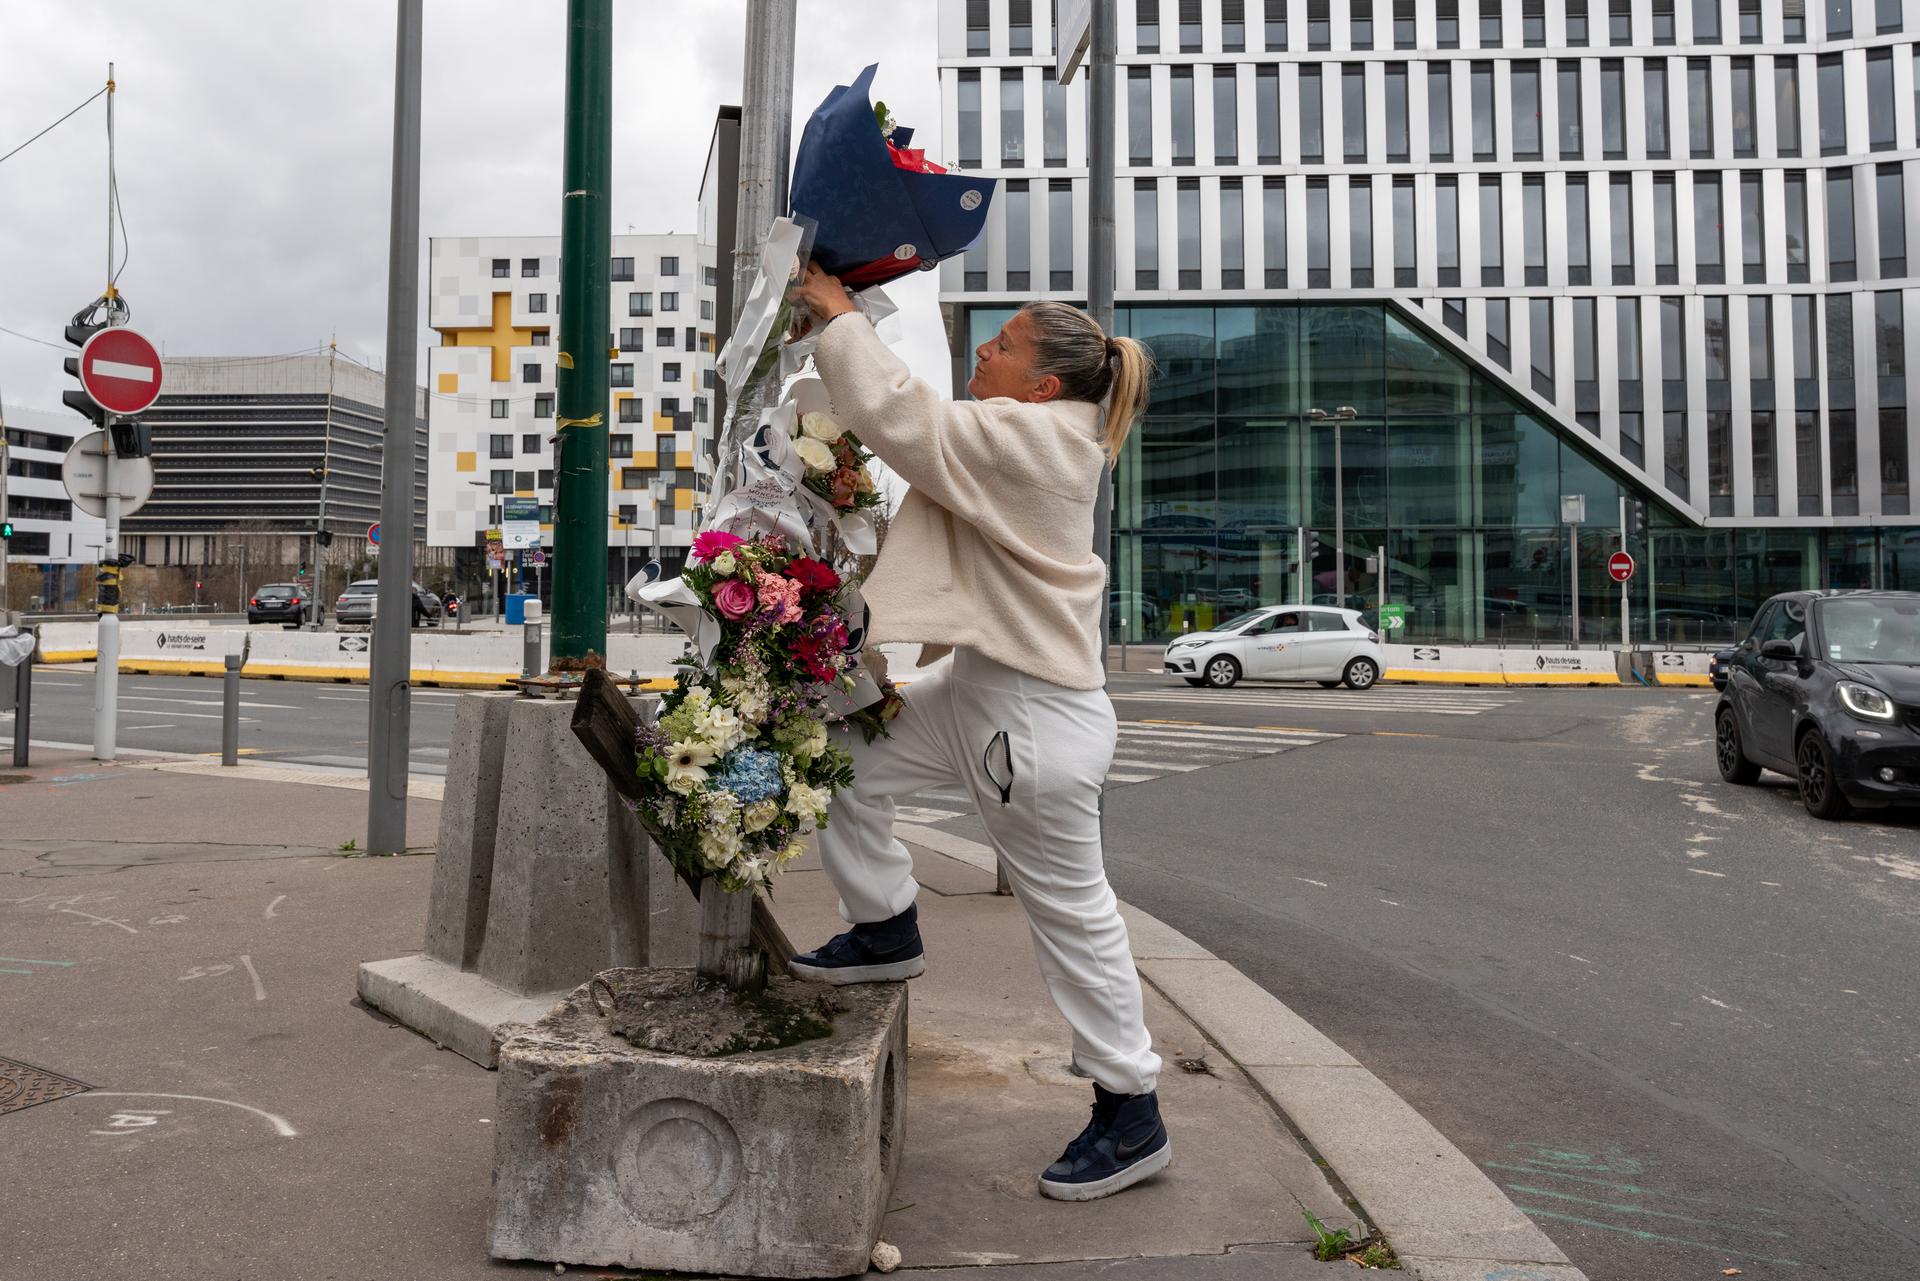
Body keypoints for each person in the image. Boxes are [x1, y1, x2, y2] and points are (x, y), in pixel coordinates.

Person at [783, 262, 1168, 1203]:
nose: (983, 352)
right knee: (840, 764)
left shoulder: (1041, 440)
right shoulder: (1036, 430)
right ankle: (884, 927)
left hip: (1030, 720)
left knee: (1073, 915)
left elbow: (907, 418)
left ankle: (1133, 1108)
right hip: (987, 686)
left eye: (1001, 346)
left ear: (1043, 384)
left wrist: (837, 315)